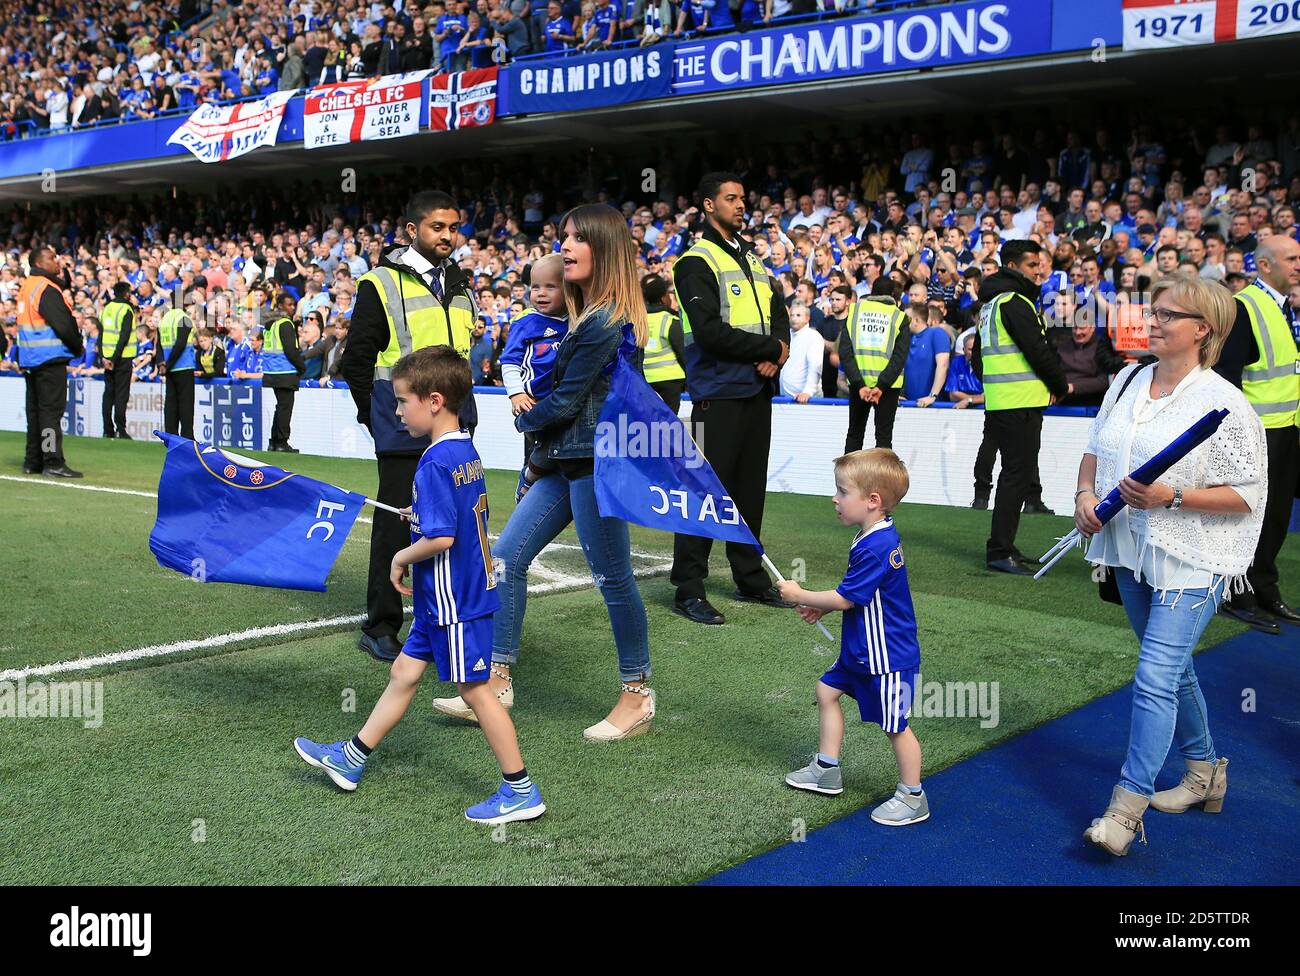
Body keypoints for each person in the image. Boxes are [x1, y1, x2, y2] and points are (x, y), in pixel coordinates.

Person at [295, 345, 545, 825]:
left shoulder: (431, 462)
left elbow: (444, 536)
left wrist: (400, 554)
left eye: (403, 400)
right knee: (404, 674)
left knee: (476, 691)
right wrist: (421, 519)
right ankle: (352, 756)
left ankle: (521, 789)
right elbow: (453, 512)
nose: (395, 410)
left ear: (433, 401)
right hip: (443, 599)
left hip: (456, 597)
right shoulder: (461, 449)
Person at [433, 204, 656, 741]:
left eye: (577, 238)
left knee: (613, 579)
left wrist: (523, 418)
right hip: (564, 460)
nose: (566, 248)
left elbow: (565, 401)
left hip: (596, 466)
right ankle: (499, 680)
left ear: (602, 247)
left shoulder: (607, 320)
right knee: (505, 559)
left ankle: (637, 693)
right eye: (565, 237)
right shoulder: (587, 316)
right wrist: (538, 446)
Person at [1073, 274, 1263, 857]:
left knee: (1155, 676)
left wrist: (1170, 497)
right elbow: (1094, 448)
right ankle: (1205, 772)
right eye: (1152, 311)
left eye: (1166, 315)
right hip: (1130, 550)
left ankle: (1125, 812)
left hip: (1195, 557)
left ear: (1202, 330)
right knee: (1172, 670)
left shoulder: (1224, 402)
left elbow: (1248, 495)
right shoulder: (1129, 378)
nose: (1151, 321)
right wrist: (1085, 496)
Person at [343, 191, 480, 663]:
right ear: (412, 230)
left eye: (453, 227)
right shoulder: (379, 283)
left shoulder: (462, 287)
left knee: (451, 524)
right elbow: (356, 360)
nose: (447, 235)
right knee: (396, 526)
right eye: (436, 227)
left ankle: (440, 616)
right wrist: (377, 414)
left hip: (457, 427)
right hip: (403, 430)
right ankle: (380, 625)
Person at [778, 449, 928, 826]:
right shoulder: (871, 535)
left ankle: (913, 796)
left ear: (872, 501)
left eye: (842, 492)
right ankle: (827, 768)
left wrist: (801, 596)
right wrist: (823, 607)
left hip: (885, 656)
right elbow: (858, 594)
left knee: (895, 725)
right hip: (861, 650)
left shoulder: (877, 546)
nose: (835, 498)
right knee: (827, 692)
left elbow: (846, 597)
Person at [669, 172, 792, 625]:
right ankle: (688, 587)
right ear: (707, 205)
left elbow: (779, 319)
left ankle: (750, 578)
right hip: (715, 393)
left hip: (757, 390)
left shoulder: (755, 262)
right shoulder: (693, 262)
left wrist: (777, 354)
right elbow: (709, 333)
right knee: (703, 492)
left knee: (748, 491)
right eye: (731, 198)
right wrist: (770, 351)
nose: (742, 205)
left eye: (744, 198)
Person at [1212, 234, 1300, 634]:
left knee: (1277, 516)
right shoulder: (1244, 306)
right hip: (1257, 434)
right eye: (1292, 258)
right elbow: (1226, 376)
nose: (1299, 264)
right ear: (1265, 265)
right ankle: (1237, 593)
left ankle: (1264, 589)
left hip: (1286, 430)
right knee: (1249, 518)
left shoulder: (1284, 308)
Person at [973, 240, 1070, 574]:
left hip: (1001, 402)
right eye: (1032, 265)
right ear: (1013, 266)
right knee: (1017, 476)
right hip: (1021, 403)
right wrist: (1059, 386)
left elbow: (977, 359)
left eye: (1040, 263)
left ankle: (1003, 547)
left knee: (1013, 475)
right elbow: (1038, 350)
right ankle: (1000, 551)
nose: (1039, 270)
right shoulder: (1016, 303)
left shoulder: (989, 306)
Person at [500, 253, 567, 494]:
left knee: (557, 450)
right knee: (548, 447)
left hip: (560, 401)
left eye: (550, 287)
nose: (540, 293)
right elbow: (508, 362)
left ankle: (534, 482)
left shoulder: (576, 321)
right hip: (532, 403)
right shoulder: (526, 322)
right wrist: (516, 394)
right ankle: (528, 480)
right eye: (535, 286)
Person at [17, 246, 83, 477]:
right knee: (49, 413)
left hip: (30, 360)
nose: (57, 261)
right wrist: (77, 346)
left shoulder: (27, 287)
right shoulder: (45, 288)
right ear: (39, 262)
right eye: (52, 258)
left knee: (35, 412)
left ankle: (32, 461)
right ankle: (52, 461)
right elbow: (63, 324)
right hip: (49, 359)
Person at [838, 277, 908, 451]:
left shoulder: (855, 311)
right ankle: (882, 479)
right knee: (884, 438)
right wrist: (882, 386)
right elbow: (899, 357)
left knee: (854, 434)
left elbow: (845, 352)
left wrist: (860, 385)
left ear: (872, 292)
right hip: (887, 388)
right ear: (892, 295)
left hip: (858, 385)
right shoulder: (899, 316)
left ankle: (849, 479)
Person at [260, 299, 306, 452]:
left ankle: (274, 441)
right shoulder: (285, 324)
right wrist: (301, 367)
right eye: (289, 304)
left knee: (280, 406)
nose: (293, 307)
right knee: (285, 407)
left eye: (293, 304)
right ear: (280, 306)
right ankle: (281, 442)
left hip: (272, 371)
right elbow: (290, 350)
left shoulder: (270, 324)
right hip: (285, 371)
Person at [640, 273, 686, 414]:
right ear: (662, 298)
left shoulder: (638, 321)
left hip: (645, 380)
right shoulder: (670, 320)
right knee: (668, 424)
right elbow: (682, 352)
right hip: (671, 380)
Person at [99, 282, 137, 439]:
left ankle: (107, 429)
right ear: (126, 293)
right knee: (121, 394)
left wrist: (104, 356)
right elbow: (124, 336)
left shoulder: (107, 308)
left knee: (108, 393)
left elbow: (100, 334)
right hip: (122, 357)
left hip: (107, 356)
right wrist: (114, 358)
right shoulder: (126, 309)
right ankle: (120, 429)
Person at [158, 297, 197, 439]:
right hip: (183, 366)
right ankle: (187, 436)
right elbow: (180, 344)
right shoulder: (184, 318)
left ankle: (170, 435)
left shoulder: (165, 319)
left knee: (171, 403)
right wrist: (168, 365)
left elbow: (159, 345)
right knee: (186, 404)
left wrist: (162, 364)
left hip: (169, 368)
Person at [779, 301, 822, 402]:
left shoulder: (813, 336)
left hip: (807, 398)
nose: (794, 318)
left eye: (798, 315)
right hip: (785, 396)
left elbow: (815, 365)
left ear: (807, 318)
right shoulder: (786, 335)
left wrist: (808, 391)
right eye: (792, 315)